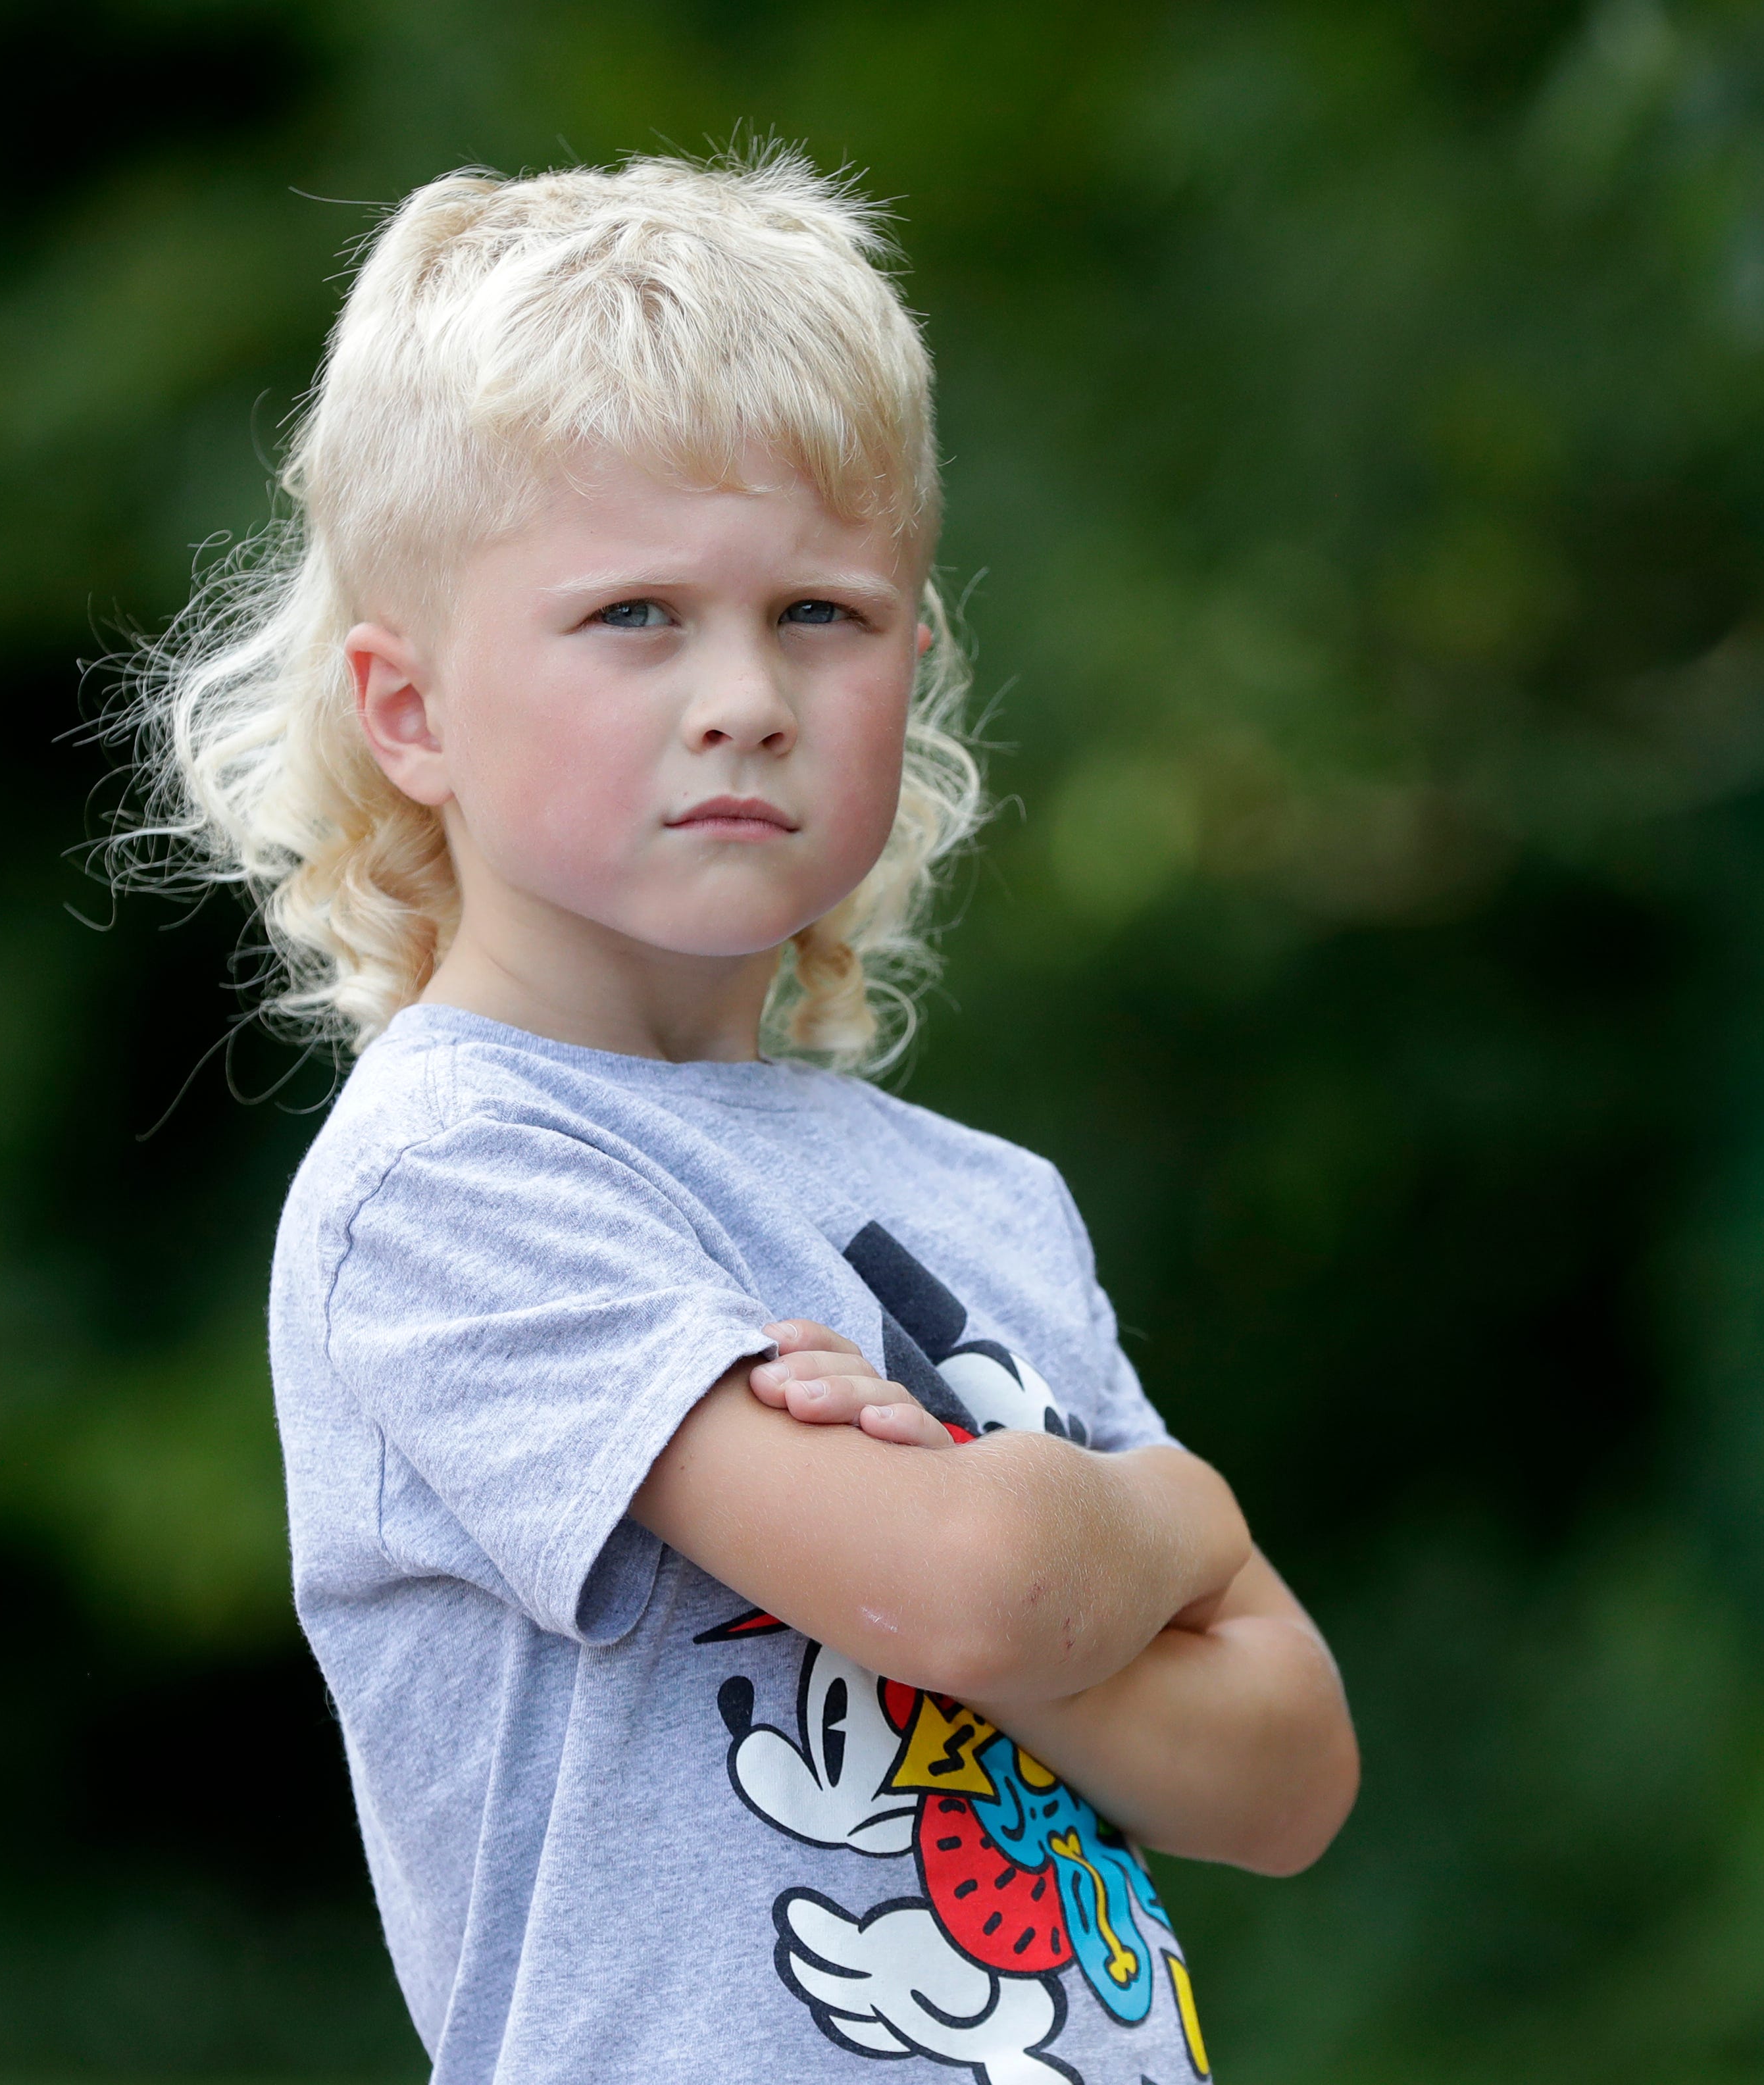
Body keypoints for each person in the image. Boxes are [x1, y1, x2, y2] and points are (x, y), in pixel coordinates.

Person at [130, 149, 1358, 2085]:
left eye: (820, 612)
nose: (745, 695)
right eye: (632, 613)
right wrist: (1167, 1529)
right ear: (408, 711)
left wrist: (1058, 1536)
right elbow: (955, 1588)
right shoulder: (450, 1173)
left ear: (916, 663)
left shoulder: (986, 1198)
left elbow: (1287, 1768)